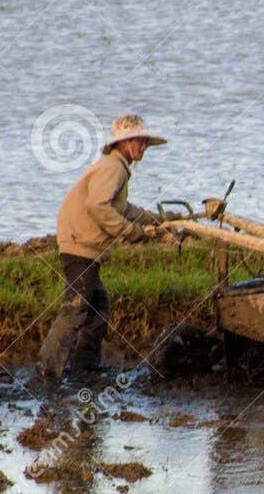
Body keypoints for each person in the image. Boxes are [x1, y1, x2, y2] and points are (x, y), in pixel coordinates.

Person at [35, 114, 167, 382]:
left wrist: (154, 220)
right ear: (124, 143)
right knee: (75, 309)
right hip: (80, 247)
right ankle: (46, 374)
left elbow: (122, 208)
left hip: (85, 248)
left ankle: (85, 370)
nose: (142, 147)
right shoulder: (113, 168)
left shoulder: (116, 168)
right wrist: (131, 232)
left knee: (98, 307)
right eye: (138, 142)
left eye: (144, 142)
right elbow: (97, 206)